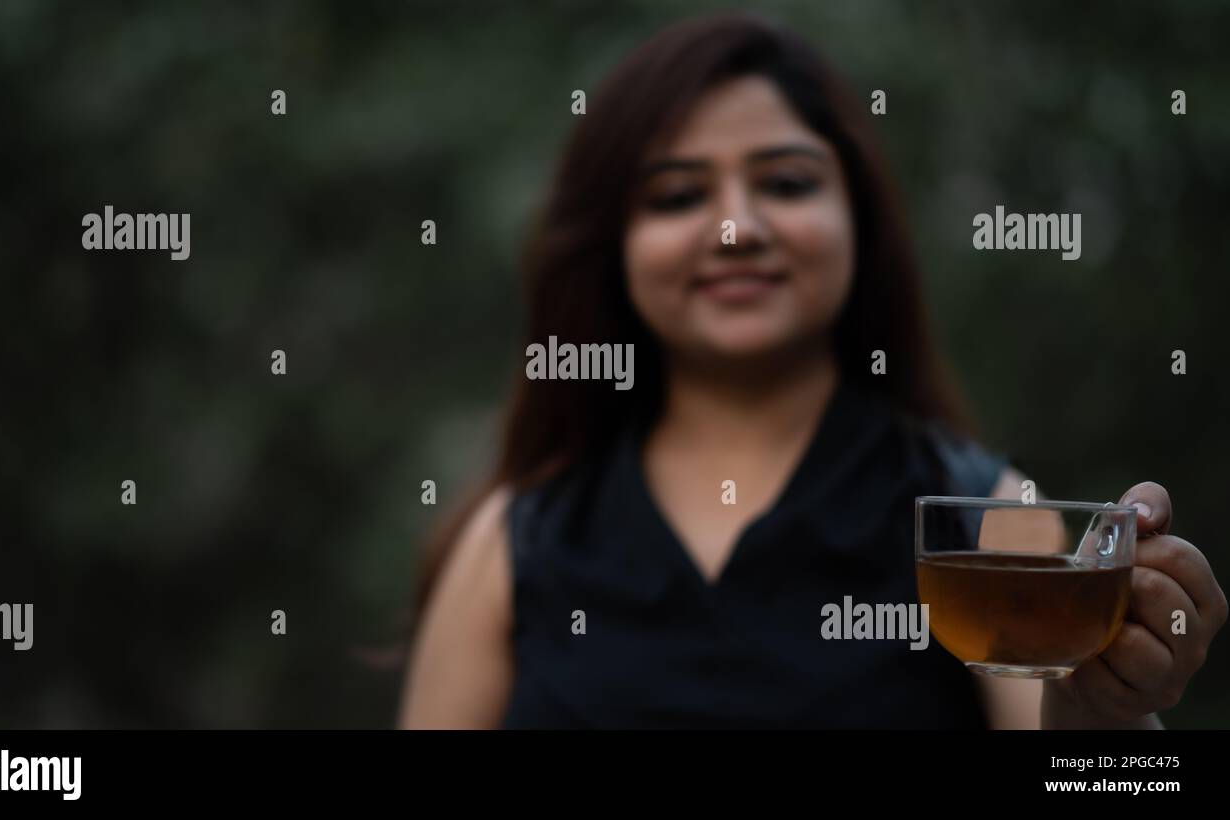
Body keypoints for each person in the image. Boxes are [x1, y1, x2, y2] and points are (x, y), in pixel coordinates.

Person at [398, 12, 1227, 729]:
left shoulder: (988, 521)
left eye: (786, 183)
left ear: (859, 222)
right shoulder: (515, 540)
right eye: (678, 196)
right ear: (612, 248)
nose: (736, 229)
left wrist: (1105, 707)